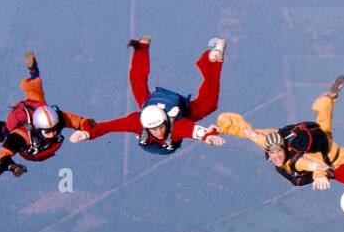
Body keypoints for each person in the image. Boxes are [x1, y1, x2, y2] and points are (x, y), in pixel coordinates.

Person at [218, 76, 344, 189]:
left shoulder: (294, 161)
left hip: (332, 158)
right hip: (322, 142)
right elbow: (246, 130)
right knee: (323, 125)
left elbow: (312, 164)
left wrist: (320, 176)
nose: (277, 156)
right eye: (273, 153)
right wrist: (221, 127)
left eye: (278, 152)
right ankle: (326, 99)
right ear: (268, 151)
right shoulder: (264, 140)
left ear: (283, 149)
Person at [68, 35, 228, 155]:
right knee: (137, 83)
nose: (159, 132)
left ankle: (211, 60)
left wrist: (208, 136)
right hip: (152, 105)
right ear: (145, 126)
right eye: (154, 129)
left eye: (160, 127)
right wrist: (86, 133)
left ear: (166, 122)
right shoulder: (136, 122)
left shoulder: (178, 126)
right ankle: (143, 47)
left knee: (208, 104)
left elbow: (196, 131)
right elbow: (108, 127)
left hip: (176, 111)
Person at [0, 51, 96, 182]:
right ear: (37, 127)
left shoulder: (58, 118)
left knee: (35, 90)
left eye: (54, 128)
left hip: (36, 110)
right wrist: (13, 167)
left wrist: (88, 127)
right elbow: (3, 156)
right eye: (48, 131)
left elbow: (80, 121)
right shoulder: (19, 136)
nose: (53, 133)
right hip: (18, 130)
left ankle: (33, 69)